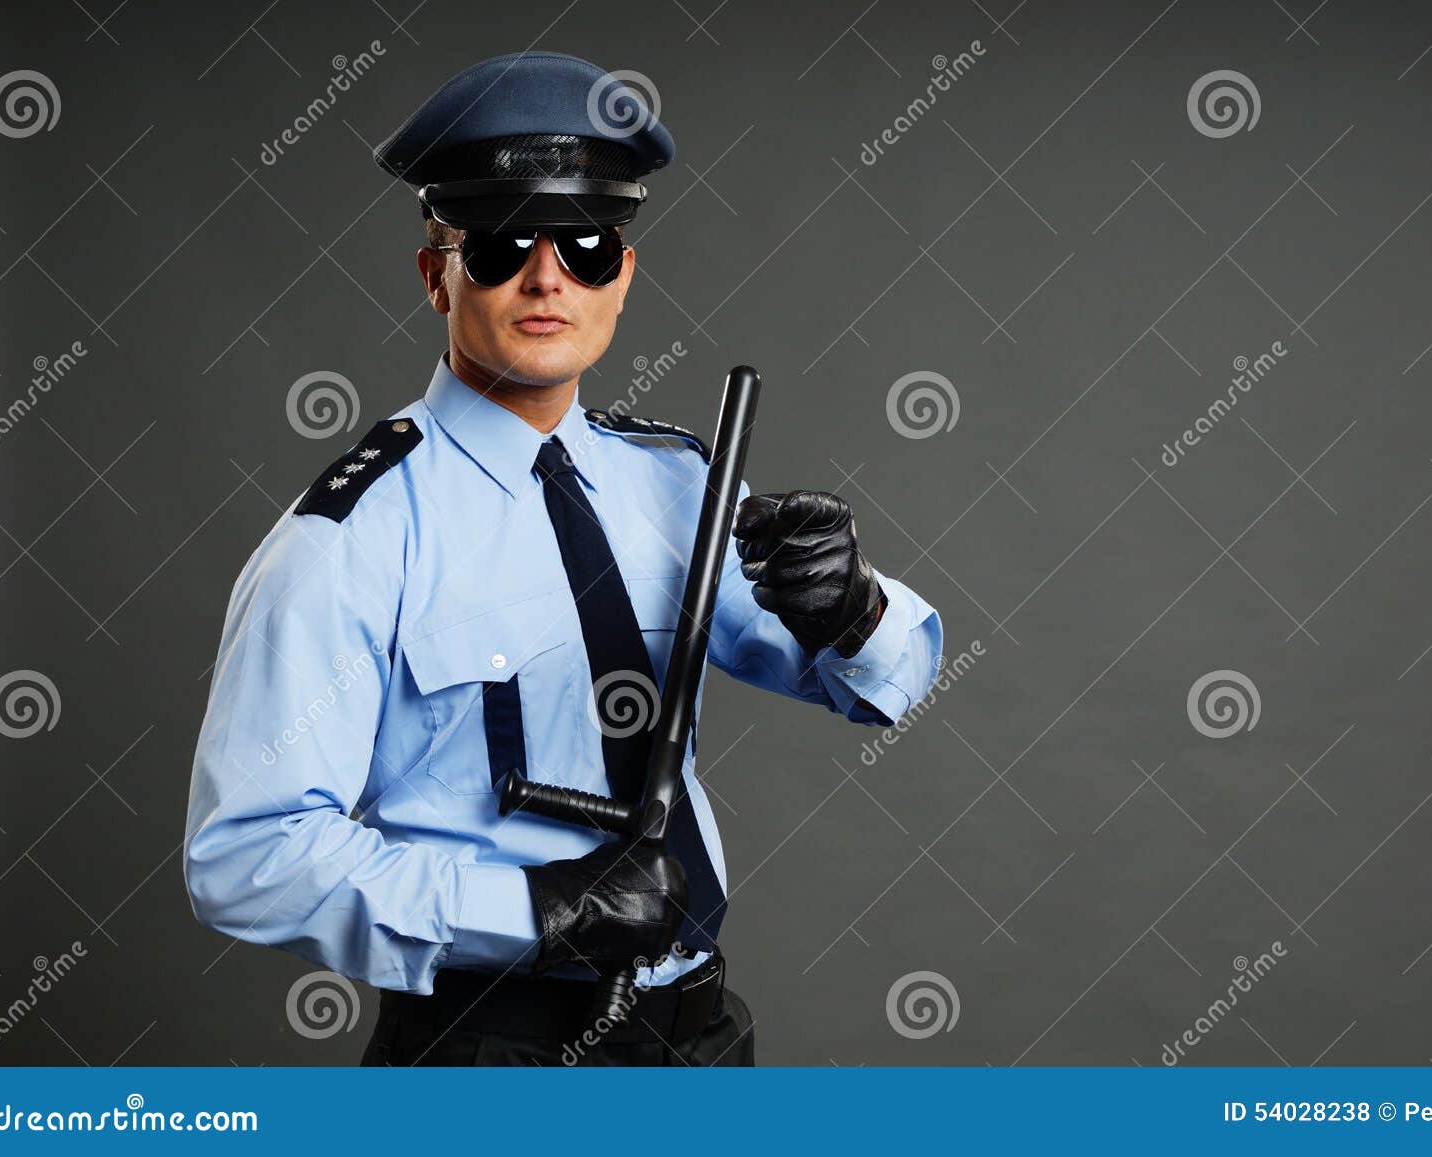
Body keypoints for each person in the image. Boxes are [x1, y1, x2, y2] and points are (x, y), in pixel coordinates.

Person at [183, 51, 944, 1067]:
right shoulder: (352, 536)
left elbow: (888, 687)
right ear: (436, 275)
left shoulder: (679, 483)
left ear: (620, 277)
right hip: (492, 1056)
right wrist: (532, 909)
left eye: (585, 246)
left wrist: (850, 606)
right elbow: (246, 854)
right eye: (500, 245)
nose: (546, 278)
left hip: (698, 1043)